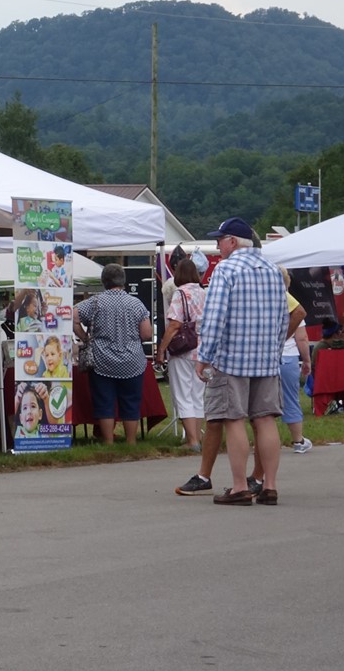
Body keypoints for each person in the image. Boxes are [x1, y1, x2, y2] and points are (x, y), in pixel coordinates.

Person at [192, 217, 286, 506]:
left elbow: (215, 316)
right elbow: (284, 317)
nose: (217, 245)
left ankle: (238, 487)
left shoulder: (226, 270)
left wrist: (203, 356)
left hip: (232, 358)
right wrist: (276, 350)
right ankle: (269, 485)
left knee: (234, 418)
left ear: (233, 241)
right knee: (266, 418)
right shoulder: (273, 270)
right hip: (267, 359)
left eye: (219, 240)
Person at [73, 263, 153, 444]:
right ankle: (131, 441)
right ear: (123, 281)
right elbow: (147, 333)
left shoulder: (94, 303)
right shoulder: (136, 303)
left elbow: (72, 316)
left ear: (104, 281)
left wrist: (85, 338)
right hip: (132, 361)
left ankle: (108, 442)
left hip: (102, 360)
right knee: (131, 402)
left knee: (104, 402)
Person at [156, 254, 207, 452]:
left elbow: (175, 324)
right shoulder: (204, 293)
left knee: (183, 394)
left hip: (183, 350)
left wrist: (162, 348)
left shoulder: (180, 294)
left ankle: (192, 440)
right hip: (202, 349)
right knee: (197, 395)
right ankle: (198, 436)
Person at [279, 269, 314, 453]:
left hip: (266, 357)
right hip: (288, 355)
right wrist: (307, 361)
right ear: (288, 282)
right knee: (291, 399)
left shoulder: (263, 298)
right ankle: (298, 441)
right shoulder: (291, 303)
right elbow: (302, 338)